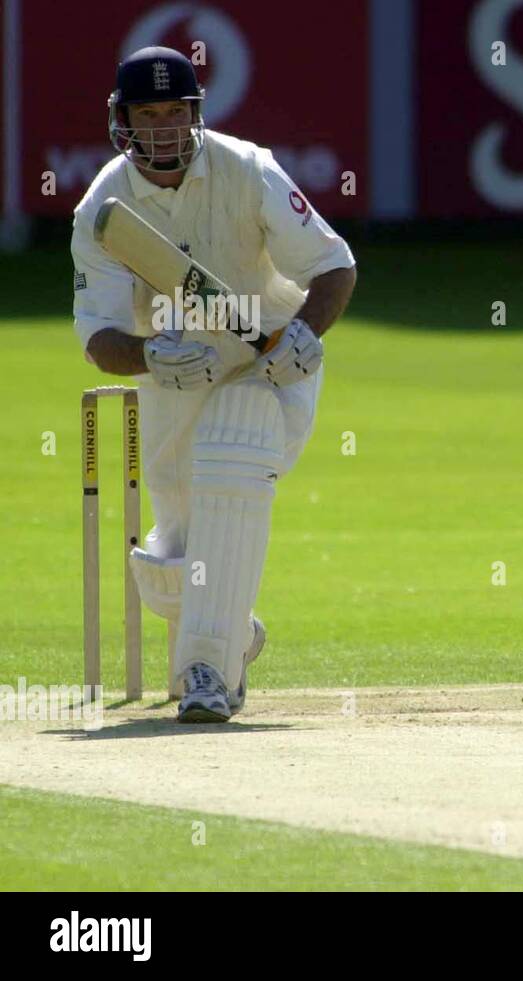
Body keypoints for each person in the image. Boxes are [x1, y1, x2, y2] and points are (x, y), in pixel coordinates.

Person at [71, 46, 357, 722]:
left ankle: (206, 672)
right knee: (174, 561)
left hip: (271, 365)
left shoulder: (247, 170)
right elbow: (97, 338)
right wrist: (151, 355)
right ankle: (232, 629)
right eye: (150, 114)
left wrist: (303, 336)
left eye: (178, 112)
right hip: (174, 378)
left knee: (234, 448)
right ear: (124, 119)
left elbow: (335, 266)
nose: (165, 128)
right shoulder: (103, 207)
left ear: (196, 114)